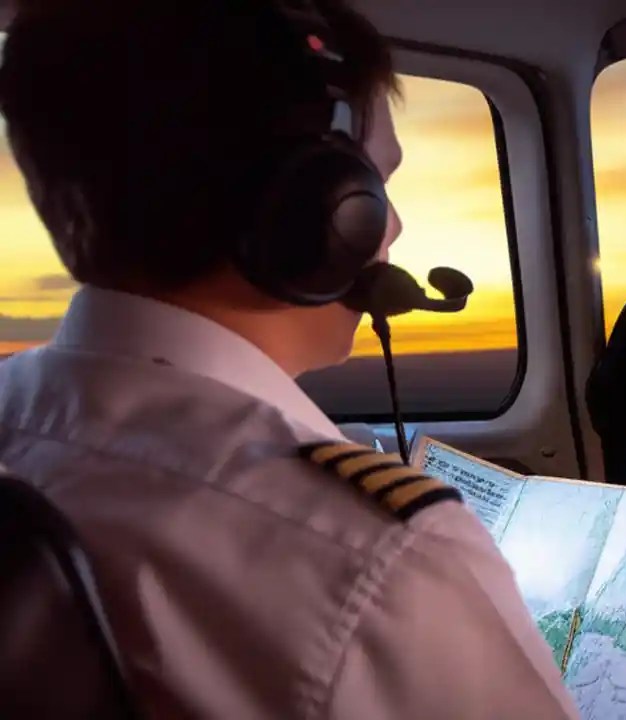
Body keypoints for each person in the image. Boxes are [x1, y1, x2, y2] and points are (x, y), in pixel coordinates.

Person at [0, 1, 579, 718]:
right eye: (377, 183)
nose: (392, 225)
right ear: (316, 207)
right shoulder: (375, 564)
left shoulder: (15, 418)